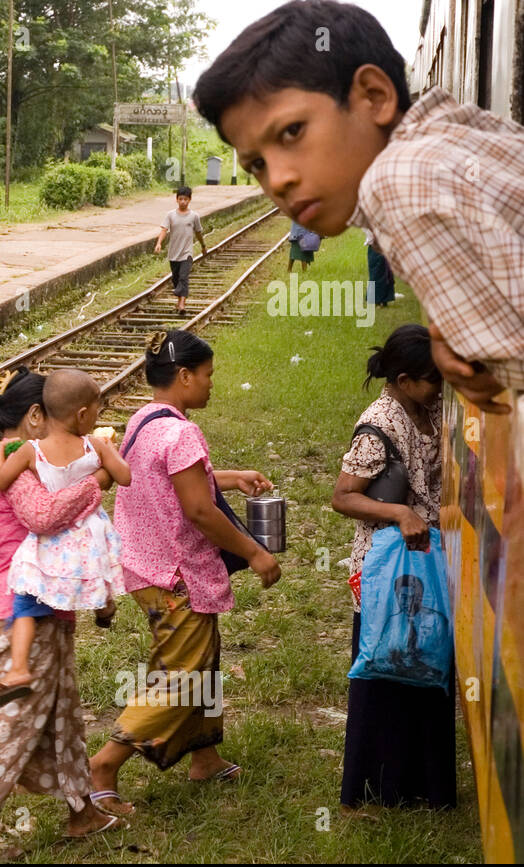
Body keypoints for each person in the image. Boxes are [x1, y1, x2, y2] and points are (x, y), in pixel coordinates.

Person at [193, 0, 524, 414]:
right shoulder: (452, 135)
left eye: (293, 131)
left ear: (375, 96)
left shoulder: (395, 183)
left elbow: (510, 358)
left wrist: (479, 357)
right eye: (257, 164)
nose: (277, 180)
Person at [0, 367, 125, 863]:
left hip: (36, 611)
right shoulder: (23, 464)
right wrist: (100, 473)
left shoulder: (27, 460)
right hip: (12, 615)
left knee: (62, 713)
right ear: (37, 416)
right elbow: (46, 517)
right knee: (11, 728)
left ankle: (82, 813)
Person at [87, 330, 280, 817]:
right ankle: (104, 766)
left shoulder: (143, 420)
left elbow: (169, 478)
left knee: (203, 663)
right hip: (175, 575)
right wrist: (255, 553)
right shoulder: (181, 432)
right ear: (185, 375)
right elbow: (198, 509)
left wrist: (228, 477)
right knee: (182, 678)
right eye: (209, 375)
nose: (212, 384)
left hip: (144, 565)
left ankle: (205, 757)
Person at [329, 323, 455, 810]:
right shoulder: (378, 423)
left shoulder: (429, 408)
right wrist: (400, 512)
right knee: (385, 663)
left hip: (426, 562)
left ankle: (425, 784)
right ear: (404, 380)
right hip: (387, 570)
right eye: (432, 379)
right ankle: (378, 786)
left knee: (427, 657)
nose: (440, 387)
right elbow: (343, 497)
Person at [0, 369, 130, 709]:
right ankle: (105, 607)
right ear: (83, 414)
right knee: (100, 573)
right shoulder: (95, 444)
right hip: (90, 537)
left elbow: (1, 481)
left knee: (24, 601)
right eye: (97, 410)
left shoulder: (31, 451)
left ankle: (18, 669)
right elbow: (125, 476)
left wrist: (2, 453)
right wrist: (106, 456)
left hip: (53, 546)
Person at [155, 185, 208, 317]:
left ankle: (182, 304)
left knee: (183, 278)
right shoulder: (170, 215)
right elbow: (164, 230)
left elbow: (199, 233)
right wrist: (159, 243)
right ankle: (179, 302)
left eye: (185, 199)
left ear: (189, 200)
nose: (183, 201)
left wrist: (203, 246)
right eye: (180, 199)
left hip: (187, 253)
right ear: (177, 200)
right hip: (174, 253)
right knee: (176, 279)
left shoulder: (194, 216)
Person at [363, 230, 397, 308]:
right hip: (376, 245)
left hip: (380, 244)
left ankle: (381, 300)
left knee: (381, 273)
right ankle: (377, 300)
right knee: (377, 272)